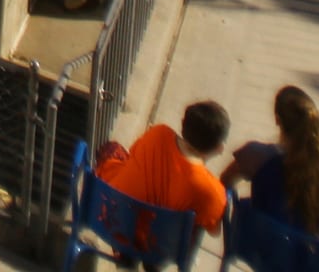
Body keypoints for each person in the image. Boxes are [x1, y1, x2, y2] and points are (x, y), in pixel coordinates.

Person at [220, 86, 319, 242]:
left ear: (277, 119)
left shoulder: (255, 155)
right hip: (307, 262)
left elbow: (224, 183)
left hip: (260, 252)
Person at [95, 101, 231, 238]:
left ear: (184, 125)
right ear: (219, 148)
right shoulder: (212, 192)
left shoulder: (159, 132)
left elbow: (132, 155)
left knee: (112, 149)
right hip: (155, 248)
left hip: (107, 219)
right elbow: (215, 232)